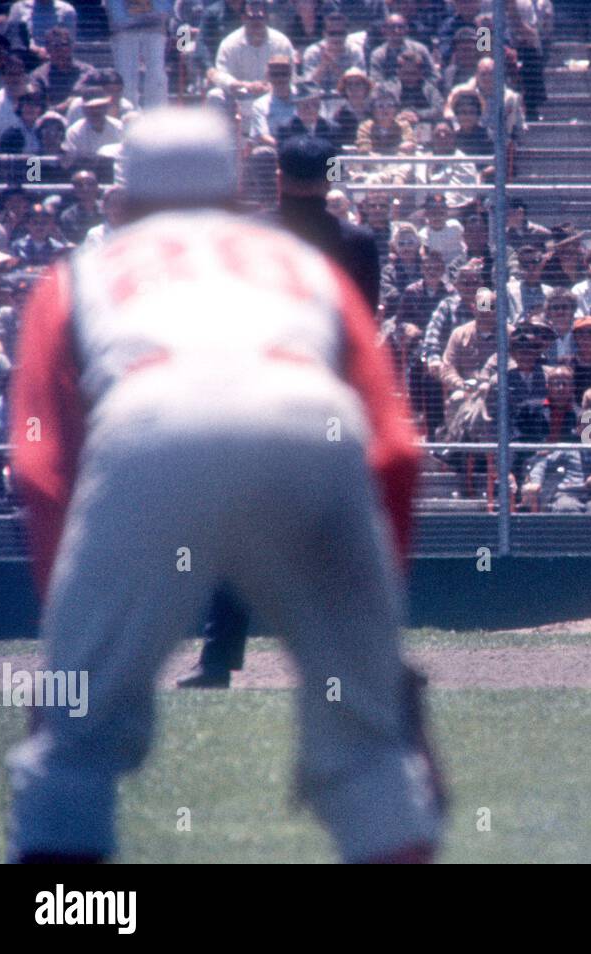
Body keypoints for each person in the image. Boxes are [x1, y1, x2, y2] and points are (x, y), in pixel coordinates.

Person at [7, 107, 443, 864]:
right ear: (240, 190)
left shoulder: (77, 277)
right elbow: (397, 451)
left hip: (150, 427)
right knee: (371, 754)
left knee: (72, 752)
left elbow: (39, 470)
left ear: (124, 200)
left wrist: (70, 629)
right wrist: (377, 620)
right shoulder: (309, 269)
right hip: (308, 424)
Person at [175, 134, 382, 690]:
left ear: (281, 177)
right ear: (329, 178)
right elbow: (364, 327)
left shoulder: (252, 235)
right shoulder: (358, 242)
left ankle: (217, 662)